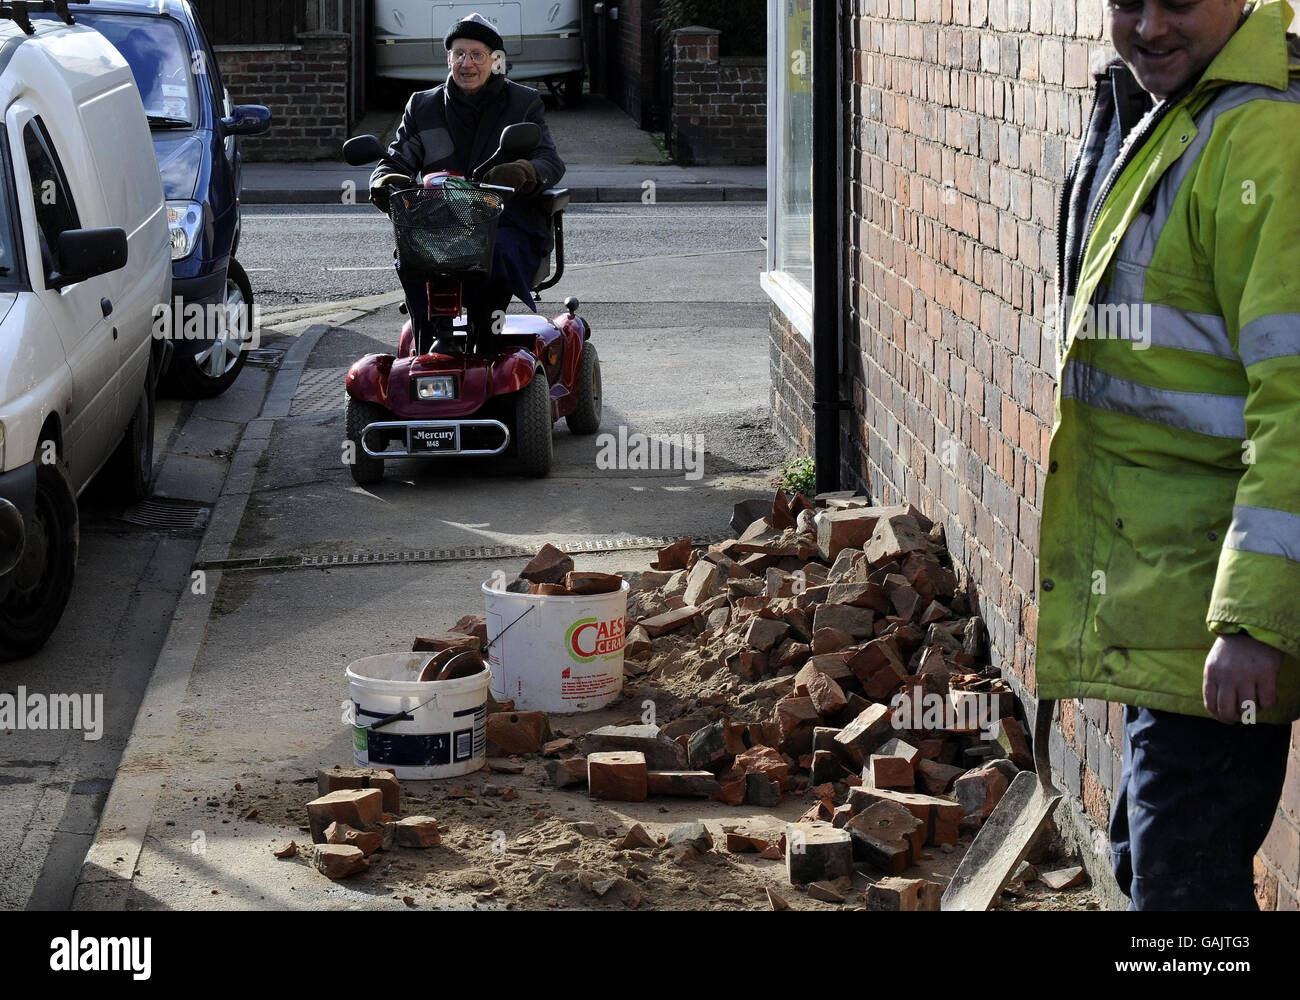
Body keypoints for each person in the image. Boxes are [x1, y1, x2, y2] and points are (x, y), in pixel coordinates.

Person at [1039, 0, 1300, 910]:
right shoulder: (1164, 113)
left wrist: (1253, 624)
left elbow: (1296, 403)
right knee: (1155, 871)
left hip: (1212, 631)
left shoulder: (1263, 140)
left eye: (1178, 1)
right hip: (1157, 604)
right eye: (1125, 2)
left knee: (1183, 905)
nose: (1148, 26)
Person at [369, 12, 565, 353]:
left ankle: (486, 340)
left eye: (476, 55)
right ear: (448, 58)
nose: (467, 63)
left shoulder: (522, 103)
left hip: (505, 222)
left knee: (496, 252)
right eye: (459, 54)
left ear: (494, 60)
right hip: (441, 222)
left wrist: (522, 171)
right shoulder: (423, 106)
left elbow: (549, 161)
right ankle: (430, 334)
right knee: (409, 253)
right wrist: (385, 179)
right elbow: (397, 159)